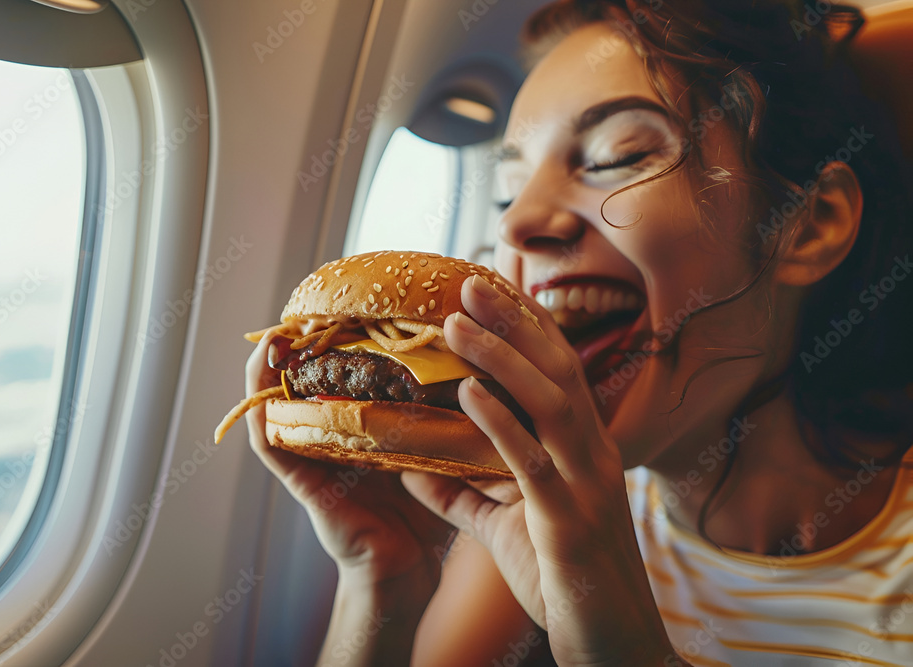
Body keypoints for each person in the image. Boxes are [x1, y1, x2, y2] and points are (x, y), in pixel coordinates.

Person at [246, 1, 913, 664]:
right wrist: (380, 585)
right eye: (507, 191)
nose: (515, 224)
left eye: (615, 157)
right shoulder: (549, 501)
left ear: (810, 223)